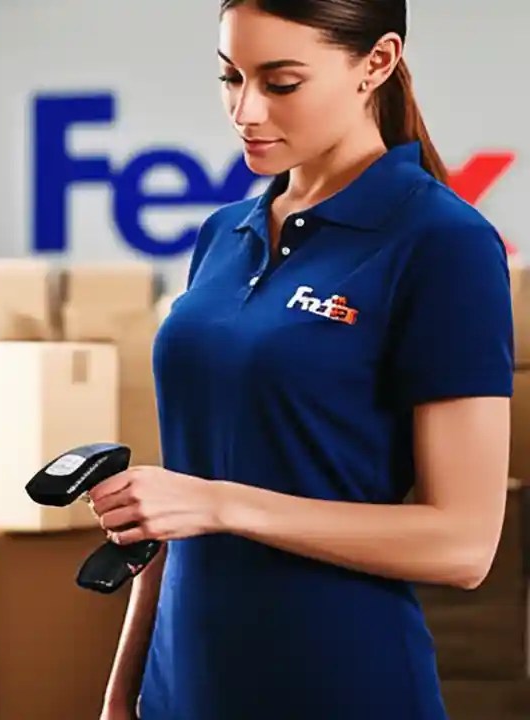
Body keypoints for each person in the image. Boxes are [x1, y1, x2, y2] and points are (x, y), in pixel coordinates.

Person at [88, 2, 512, 719]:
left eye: (280, 83)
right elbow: (174, 500)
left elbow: (463, 544)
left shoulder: (442, 242)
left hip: (337, 682)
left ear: (376, 62)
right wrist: (122, 690)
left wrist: (222, 504)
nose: (245, 110)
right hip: (180, 687)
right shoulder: (223, 234)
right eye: (230, 77)